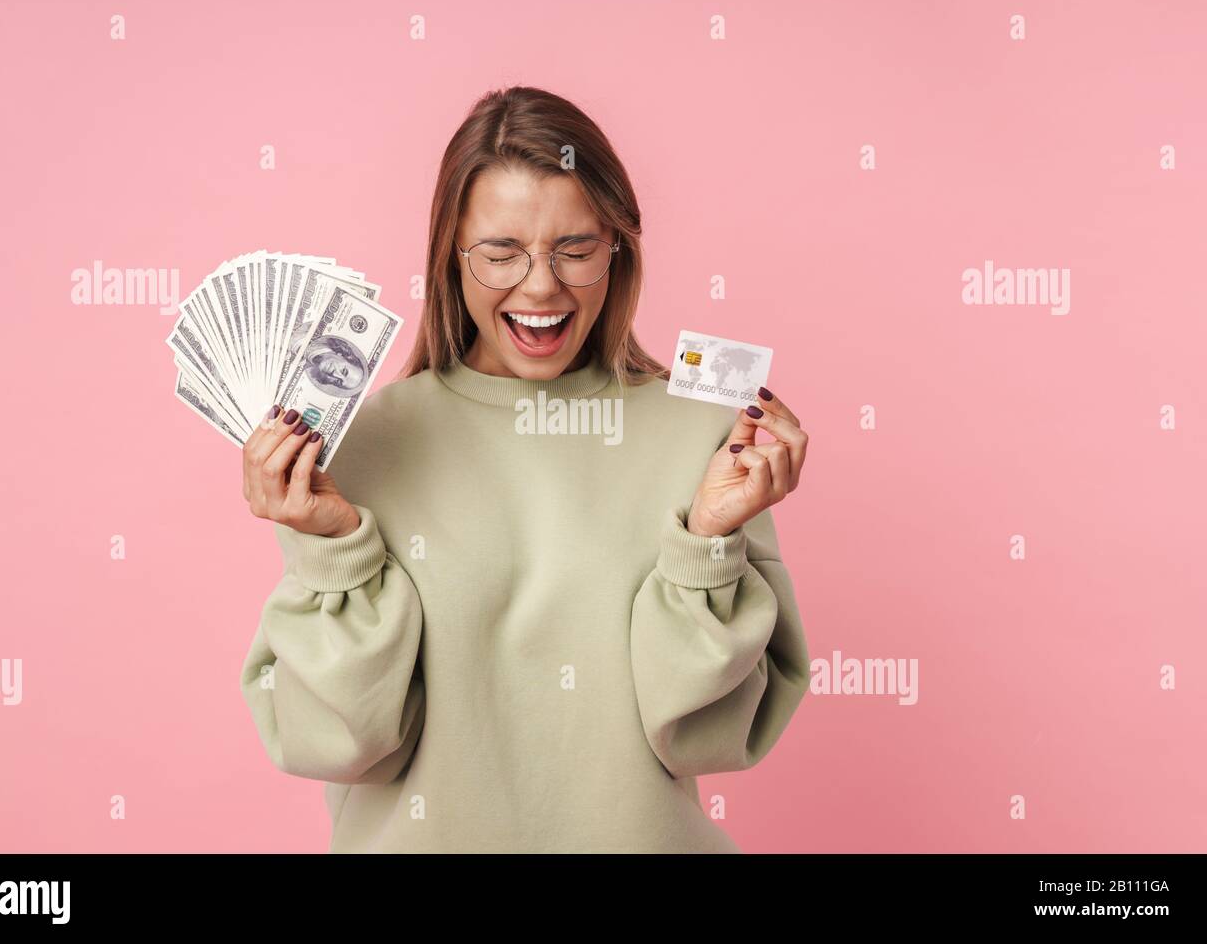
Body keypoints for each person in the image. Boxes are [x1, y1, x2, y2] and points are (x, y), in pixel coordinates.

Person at [238, 85, 811, 853]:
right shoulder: (360, 444)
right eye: (501, 251)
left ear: (618, 248)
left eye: (576, 249)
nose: (541, 286)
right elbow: (341, 742)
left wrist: (705, 541)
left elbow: (707, 736)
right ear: (451, 254)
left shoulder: (704, 434)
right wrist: (335, 546)